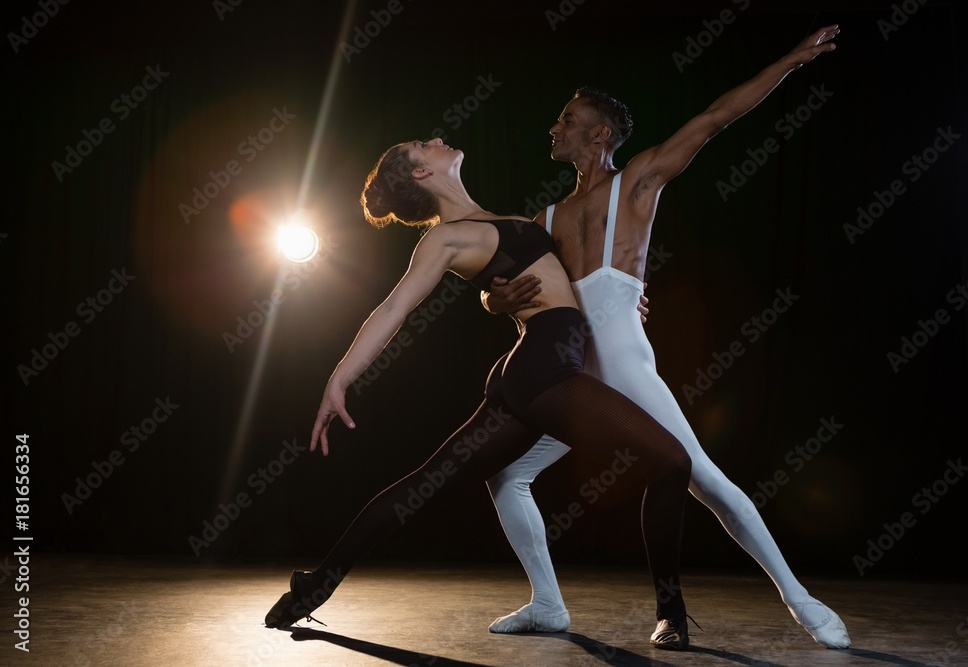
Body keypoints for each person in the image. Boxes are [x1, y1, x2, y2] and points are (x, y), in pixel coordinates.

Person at [482, 25, 851, 649]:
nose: (554, 128)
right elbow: (498, 282)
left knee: (701, 477)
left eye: (567, 119)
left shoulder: (642, 178)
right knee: (507, 475)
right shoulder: (544, 219)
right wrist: (495, 299)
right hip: (569, 371)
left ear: (600, 134)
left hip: (622, 356)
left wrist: (789, 60)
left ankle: (800, 597)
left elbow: (715, 117)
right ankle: (548, 604)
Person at [265, 137, 697, 649]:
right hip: (544, 372)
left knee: (423, 486)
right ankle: (672, 614)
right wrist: (339, 379)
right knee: (671, 462)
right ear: (421, 172)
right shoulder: (443, 240)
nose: (438, 140)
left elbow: (562, 277)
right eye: (424, 144)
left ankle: (314, 585)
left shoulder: (501, 219)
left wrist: (623, 298)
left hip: (533, 369)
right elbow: (393, 310)